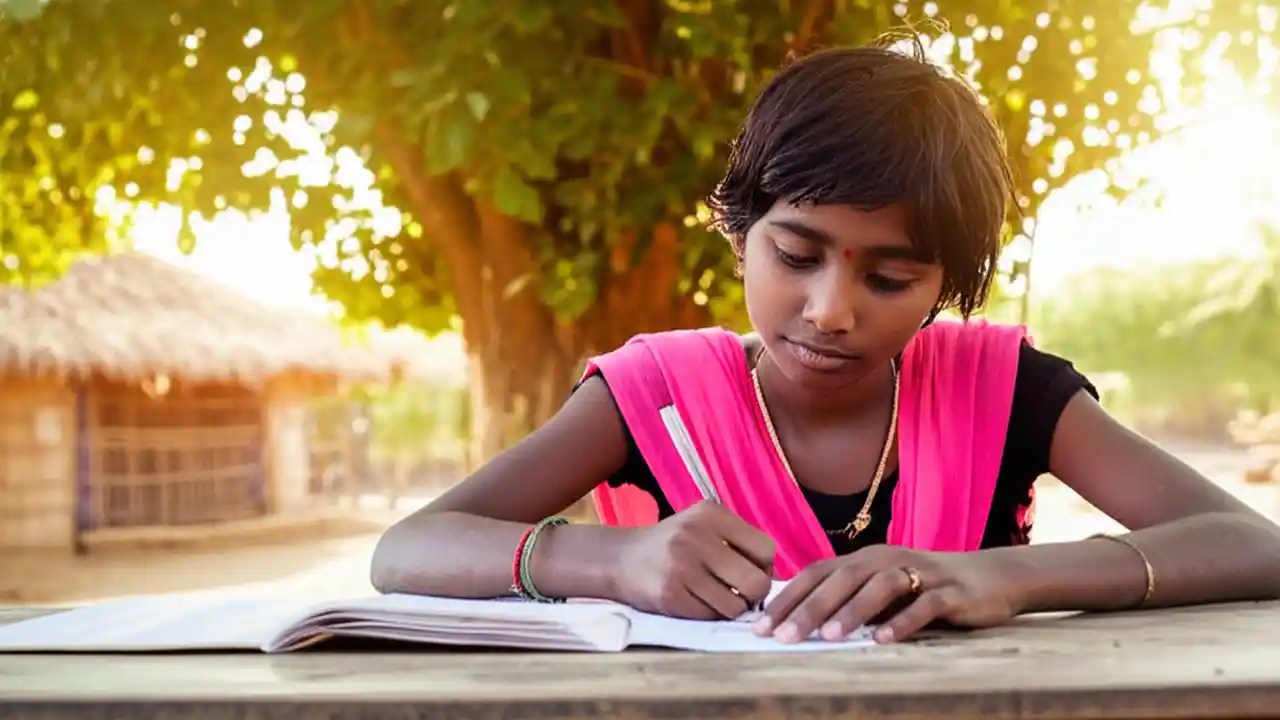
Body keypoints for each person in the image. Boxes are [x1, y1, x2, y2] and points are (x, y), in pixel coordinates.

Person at [370, 39, 1280, 645]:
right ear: (738, 229)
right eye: (795, 255)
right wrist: (611, 561)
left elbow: (1252, 546)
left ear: (945, 287)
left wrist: (1004, 578)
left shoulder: (1002, 389)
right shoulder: (655, 396)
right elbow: (406, 551)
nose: (831, 309)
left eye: (891, 278)